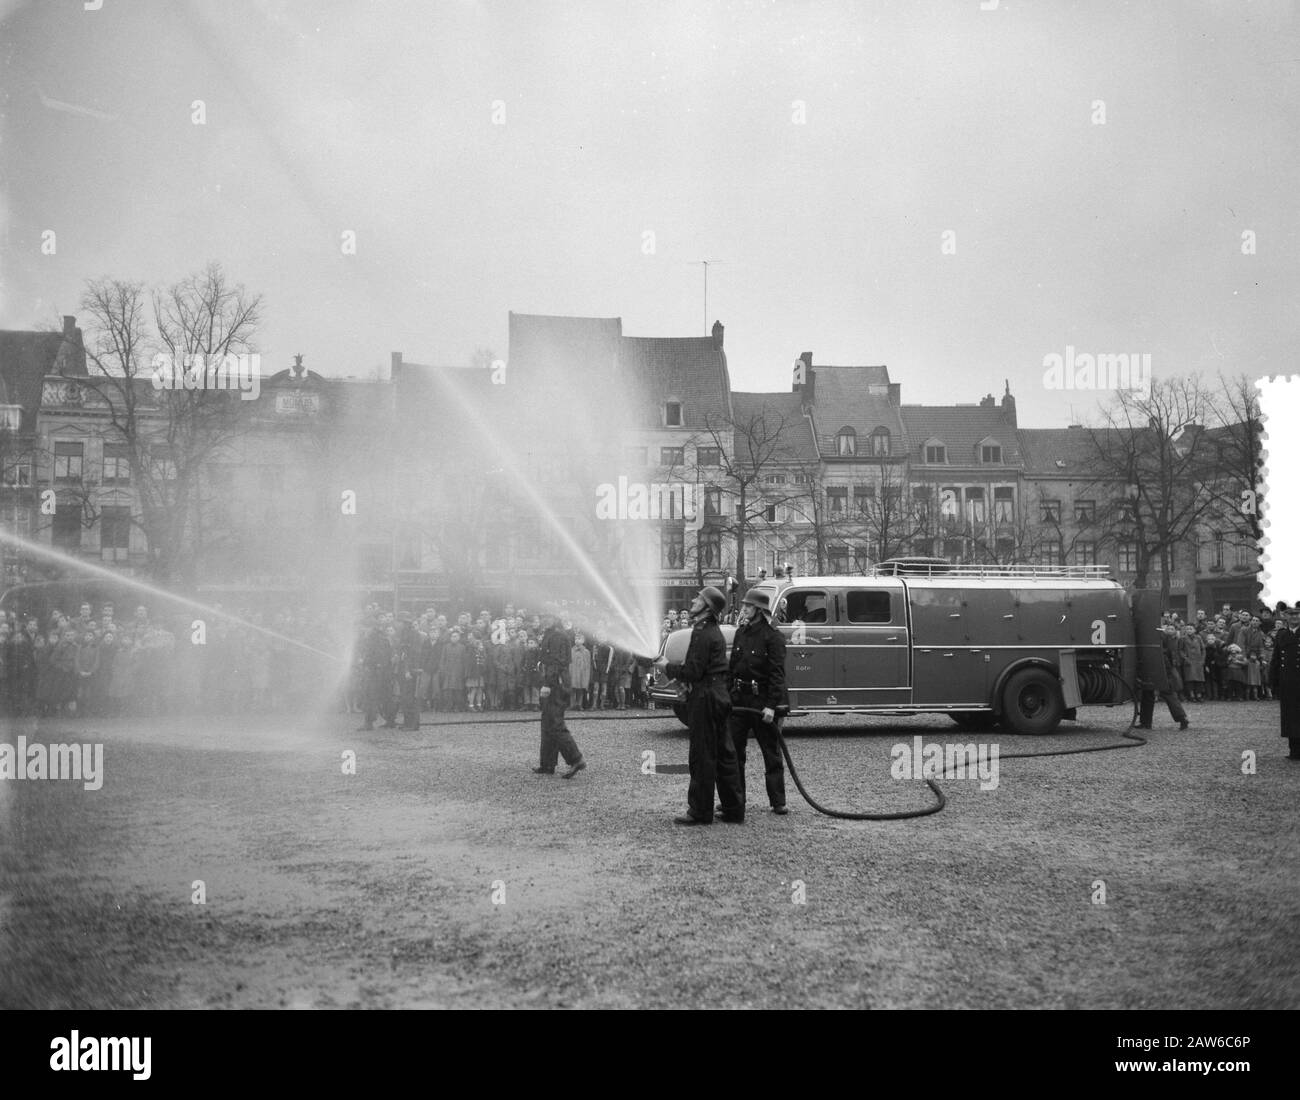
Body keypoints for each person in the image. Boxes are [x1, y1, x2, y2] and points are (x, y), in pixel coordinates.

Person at [657, 586, 743, 825]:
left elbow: (693, 671)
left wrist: (666, 666)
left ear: (706, 607)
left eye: (699, 598)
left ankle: (700, 811)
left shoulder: (702, 632)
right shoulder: (711, 630)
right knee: (725, 754)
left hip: (705, 699)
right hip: (718, 696)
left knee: (702, 756)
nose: (694, 600)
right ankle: (734, 808)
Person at [726, 588, 789, 816]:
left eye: (749, 606)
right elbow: (733, 668)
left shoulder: (773, 636)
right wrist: (727, 697)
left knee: (771, 753)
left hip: (762, 700)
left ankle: (778, 801)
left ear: (760, 611)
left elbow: (777, 674)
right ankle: (735, 801)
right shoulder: (741, 633)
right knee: (734, 753)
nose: (744, 609)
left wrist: (772, 705)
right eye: (744, 605)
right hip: (740, 699)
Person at [534, 611, 585, 778]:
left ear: (554, 618)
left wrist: (547, 684)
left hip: (556, 684)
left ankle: (576, 759)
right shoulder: (553, 635)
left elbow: (556, 662)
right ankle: (547, 764)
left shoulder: (557, 636)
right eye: (543, 617)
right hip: (555, 682)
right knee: (548, 723)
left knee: (555, 723)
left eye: (548, 617)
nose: (544, 619)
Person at [1269, 604, 1300, 759]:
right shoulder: (1281, 635)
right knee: (1290, 716)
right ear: (1285, 617)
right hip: (1287, 682)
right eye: (1291, 615)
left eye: (1297, 614)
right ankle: (1293, 750)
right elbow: (1276, 658)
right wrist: (1273, 680)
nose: (1294, 617)